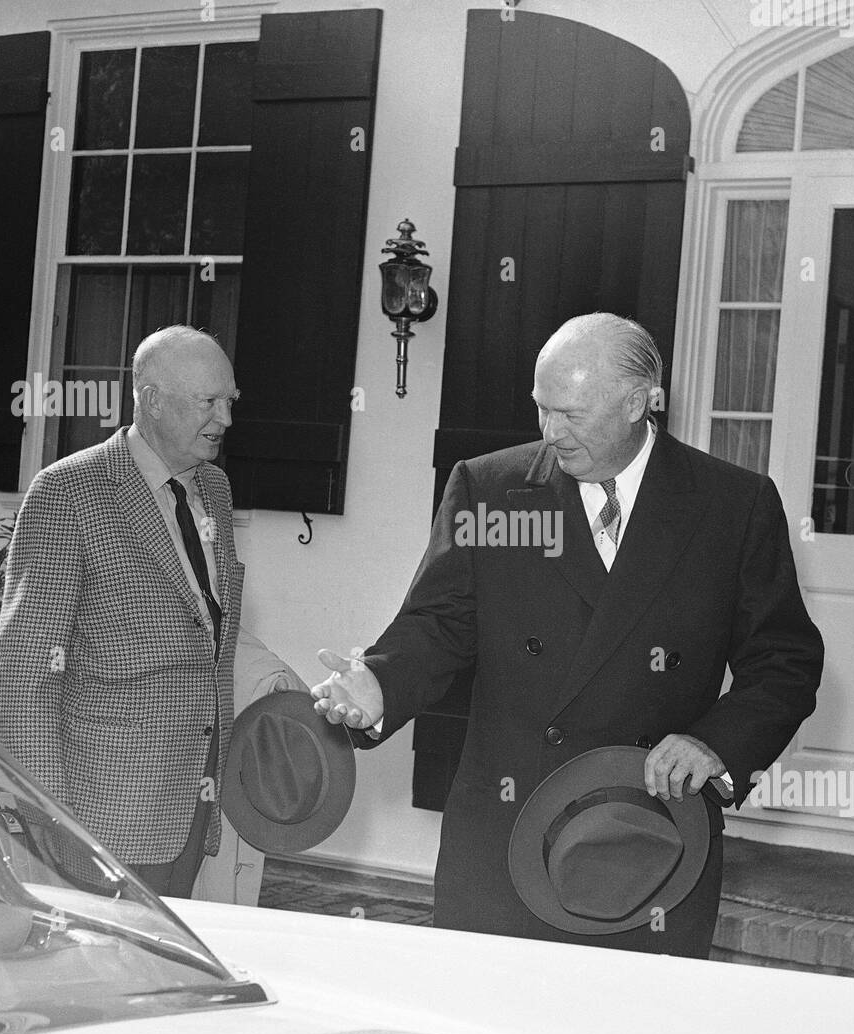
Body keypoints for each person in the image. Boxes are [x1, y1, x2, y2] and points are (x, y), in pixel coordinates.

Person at [310, 313, 824, 958]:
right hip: (503, 829)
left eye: (572, 414)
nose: (552, 434)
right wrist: (381, 683)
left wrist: (715, 744)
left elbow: (784, 661)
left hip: (646, 832)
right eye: (542, 410)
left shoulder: (733, 505)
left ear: (639, 402)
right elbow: (439, 625)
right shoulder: (490, 489)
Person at [0, 325, 296, 897]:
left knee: (167, 972)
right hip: (102, 815)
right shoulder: (68, 492)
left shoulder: (215, 489)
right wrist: (51, 819)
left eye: (230, 401)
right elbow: (23, 674)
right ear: (152, 400)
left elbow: (209, 631)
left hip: (194, 804)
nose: (225, 419)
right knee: (92, 976)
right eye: (208, 402)